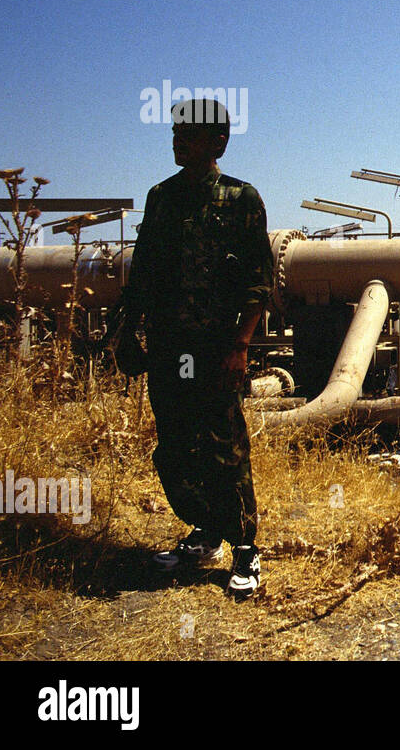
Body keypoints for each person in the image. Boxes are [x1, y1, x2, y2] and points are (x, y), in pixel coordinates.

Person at [117, 98, 273, 595]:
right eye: (175, 131)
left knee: (224, 448)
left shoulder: (240, 199)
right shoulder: (160, 198)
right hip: (167, 349)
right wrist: (127, 332)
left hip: (215, 349)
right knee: (176, 449)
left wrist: (240, 346)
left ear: (218, 142)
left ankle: (244, 549)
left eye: (188, 133)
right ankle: (207, 532)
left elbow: (258, 282)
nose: (176, 139)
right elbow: (141, 275)